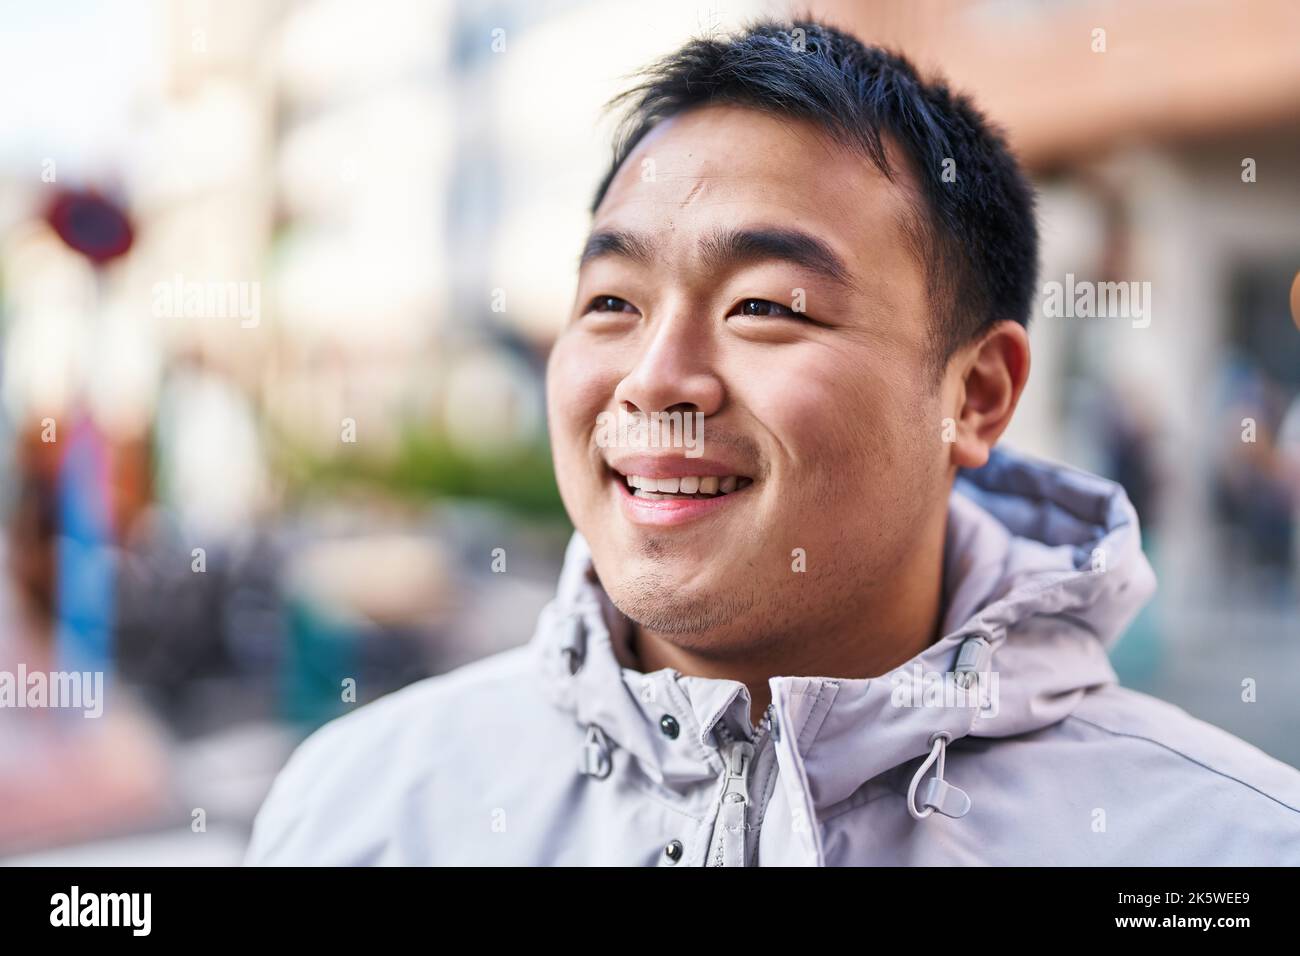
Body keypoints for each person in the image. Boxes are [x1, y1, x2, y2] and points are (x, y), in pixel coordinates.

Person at [245, 19, 1300, 866]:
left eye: (764, 307)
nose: (656, 376)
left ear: (975, 395)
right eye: (612, 298)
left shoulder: (1224, 844)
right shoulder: (360, 807)